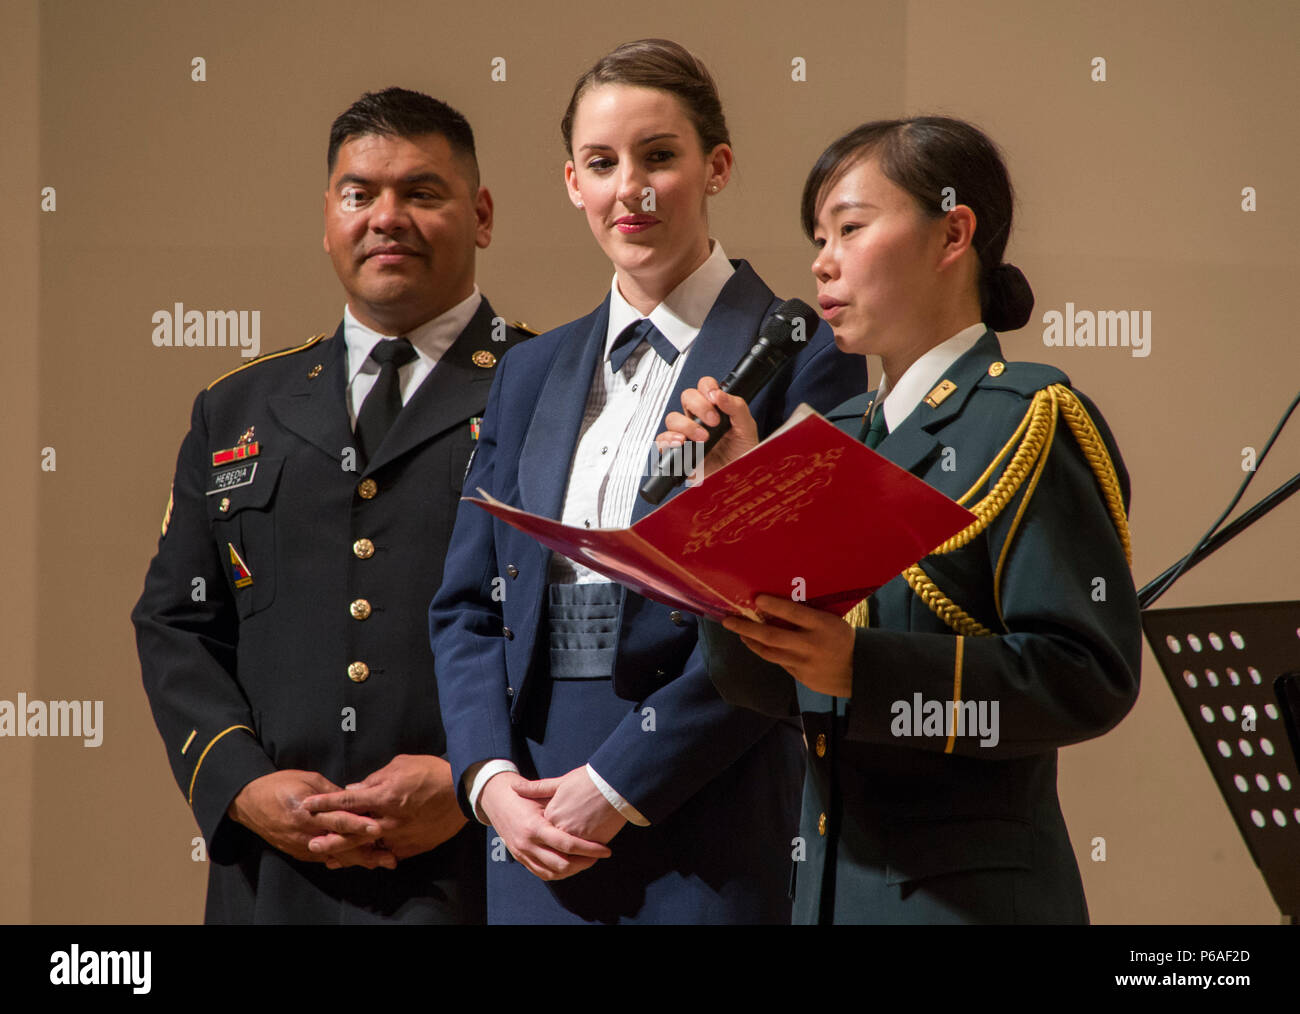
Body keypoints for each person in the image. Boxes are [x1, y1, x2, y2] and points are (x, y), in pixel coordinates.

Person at [428, 39, 867, 924]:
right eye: (603, 163)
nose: (631, 188)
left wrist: (618, 782)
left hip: (709, 812)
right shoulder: (529, 369)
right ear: (572, 183)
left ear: (718, 167)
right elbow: (467, 606)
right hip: (534, 822)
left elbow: (797, 620)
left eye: (659, 156)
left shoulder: (811, 360)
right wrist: (490, 785)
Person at [661, 116, 1141, 924]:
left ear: (953, 232)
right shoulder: (835, 433)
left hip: (967, 901)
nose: (822, 260)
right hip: (829, 890)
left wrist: (865, 670)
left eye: (850, 227)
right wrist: (732, 509)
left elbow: (1087, 678)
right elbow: (758, 688)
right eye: (818, 237)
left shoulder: (1029, 416)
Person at [132, 87, 534, 924]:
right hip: (276, 884)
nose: (387, 217)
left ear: (482, 213)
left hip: (483, 872)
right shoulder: (236, 406)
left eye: (422, 192)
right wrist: (241, 783)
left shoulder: (554, 389)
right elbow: (177, 623)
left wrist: (475, 778)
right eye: (360, 194)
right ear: (328, 216)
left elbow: (588, 637)